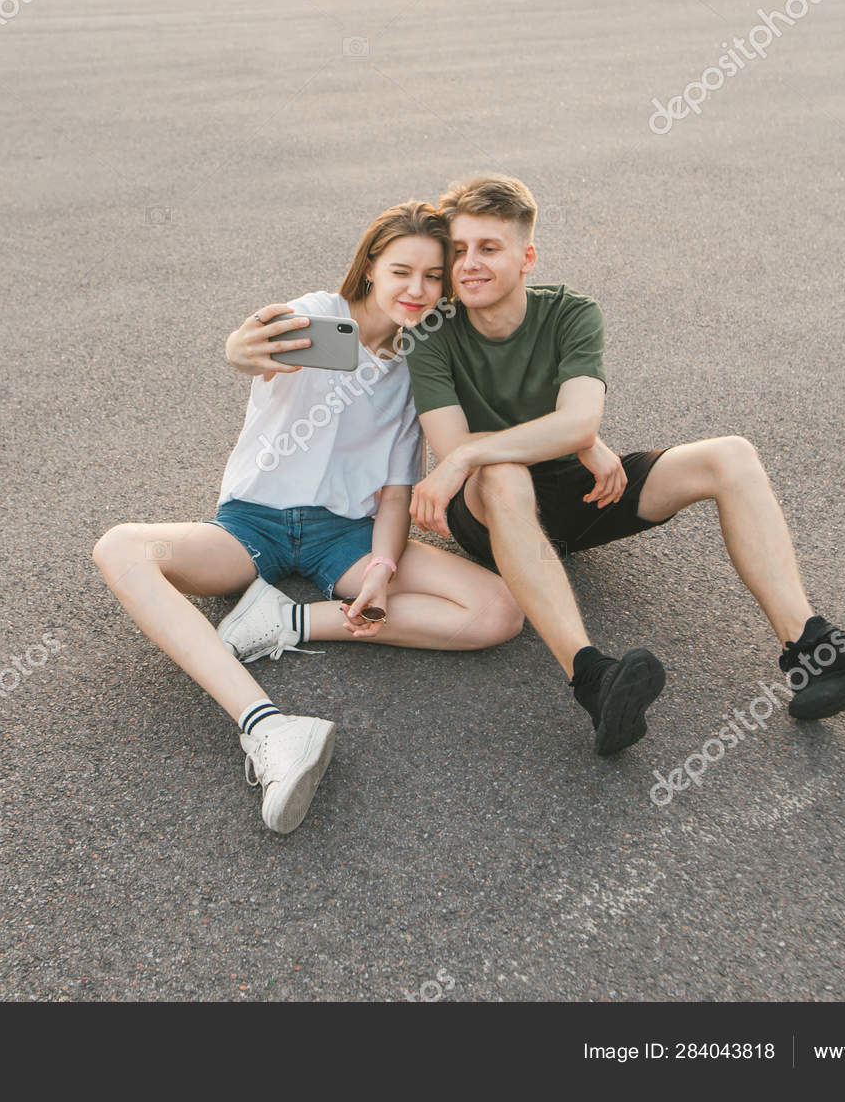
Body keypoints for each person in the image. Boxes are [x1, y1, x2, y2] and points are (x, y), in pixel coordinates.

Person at [395, 172, 845, 756]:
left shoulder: (570, 313)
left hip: (580, 494)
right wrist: (516, 447)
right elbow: (455, 448)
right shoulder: (432, 335)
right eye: (461, 250)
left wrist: (545, 443)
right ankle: (592, 678)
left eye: (489, 248)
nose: (469, 265)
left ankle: (812, 651)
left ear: (527, 256)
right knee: (500, 473)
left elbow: (573, 423)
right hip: (495, 511)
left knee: (732, 455)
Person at [93, 201, 531, 834]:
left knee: (498, 611)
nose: (416, 289)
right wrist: (241, 346)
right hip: (252, 526)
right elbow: (251, 349)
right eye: (401, 270)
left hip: (345, 536)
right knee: (121, 548)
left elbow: (395, 489)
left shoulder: (418, 366)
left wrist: (382, 566)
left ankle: (287, 621)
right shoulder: (322, 317)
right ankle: (269, 729)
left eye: (433, 277)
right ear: (370, 267)